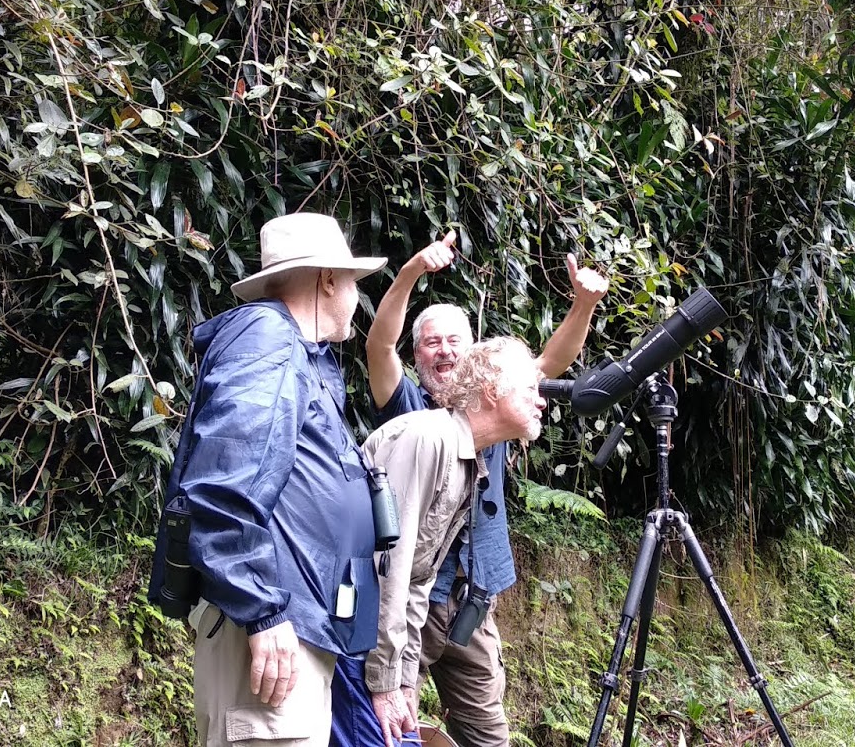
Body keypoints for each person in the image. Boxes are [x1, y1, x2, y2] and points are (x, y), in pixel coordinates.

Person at [356, 233, 608, 747]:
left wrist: (583, 305)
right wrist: (410, 274)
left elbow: (550, 363)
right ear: (418, 355)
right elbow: (379, 344)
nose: (445, 350)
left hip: (474, 592)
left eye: (455, 340)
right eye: (431, 342)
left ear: (477, 359)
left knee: (487, 732)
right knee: (388, 723)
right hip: (412, 594)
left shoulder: (502, 401)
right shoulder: (411, 410)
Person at [150, 212, 386, 747]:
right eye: (351, 280)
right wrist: (262, 611)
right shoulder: (269, 338)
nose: (355, 295)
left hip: (292, 626)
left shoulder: (291, 349)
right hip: (273, 628)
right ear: (327, 280)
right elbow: (223, 483)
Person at [361, 338, 548, 746]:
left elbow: (417, 580)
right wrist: (385, 681)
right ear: (492, 389)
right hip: (347, 639)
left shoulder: (466, 457)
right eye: (531, 389)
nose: (542, 403)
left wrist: (405, 676)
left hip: (376, 641)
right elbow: (385, 570)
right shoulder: (428, 439)